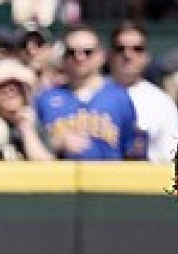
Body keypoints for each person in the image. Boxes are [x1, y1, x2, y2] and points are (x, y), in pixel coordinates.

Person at [35, 24, 139, 160]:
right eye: (72, 52)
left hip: (109, 178)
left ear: (101, 56)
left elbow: (130, 151)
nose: (79, 57)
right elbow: (34, 147)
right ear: (63, 57)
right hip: (60, 178)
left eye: (87, 52)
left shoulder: (119, 98)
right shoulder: (46, 99)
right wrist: (55, 144)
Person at [108, 21, 178, 162]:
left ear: (147, 56)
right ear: (109, 54)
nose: (128, 55)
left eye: (137, 49)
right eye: (120, 48)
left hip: (146, 180)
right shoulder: (93, 93)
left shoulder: (161, 102)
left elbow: (171, 156)